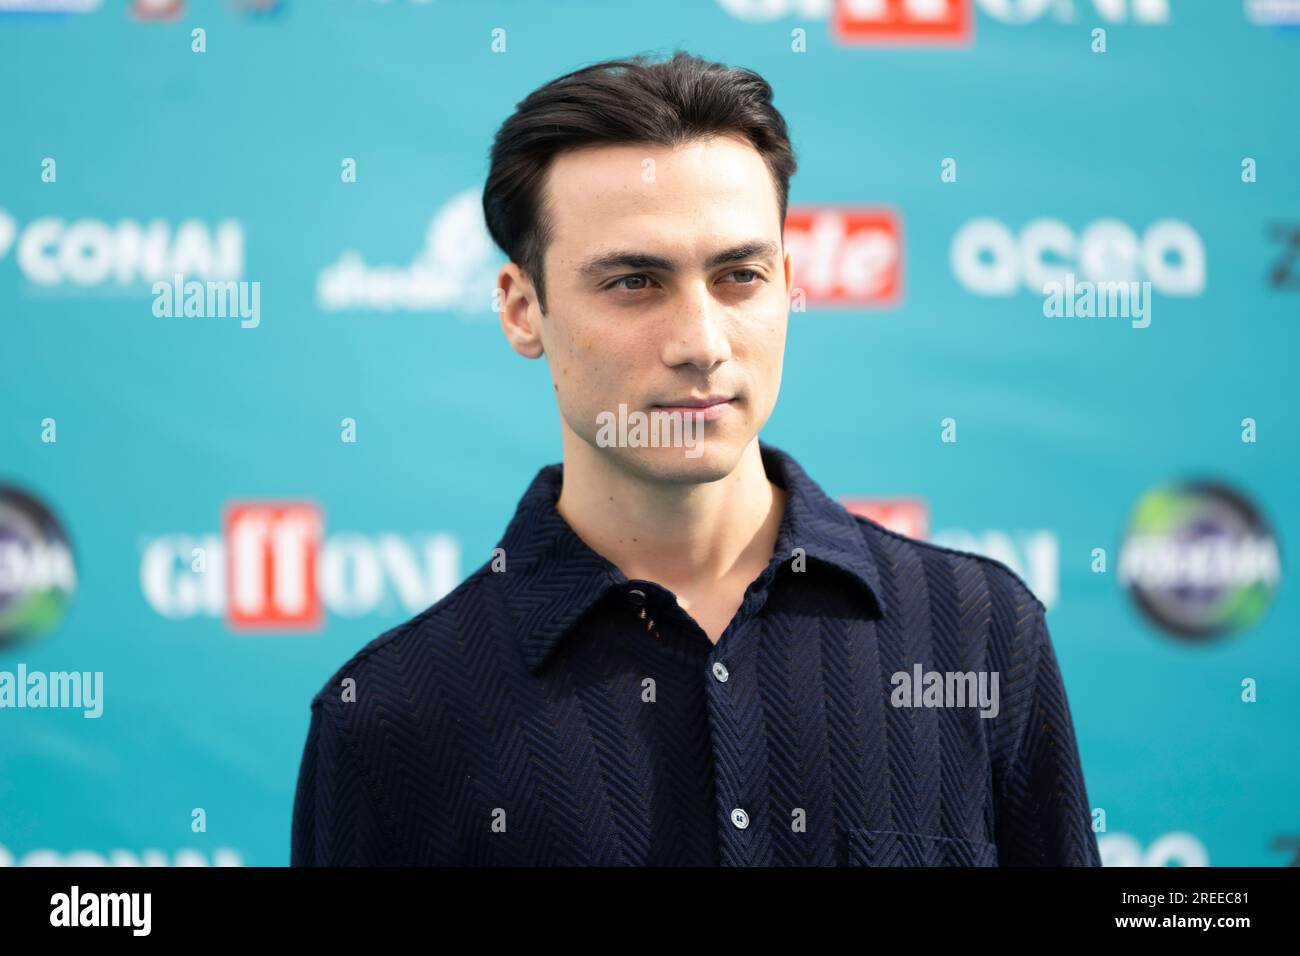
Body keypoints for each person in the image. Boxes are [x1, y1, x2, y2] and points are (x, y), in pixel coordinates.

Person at [291, 50, 1100, 867]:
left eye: (739, 276)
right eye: (635, 283)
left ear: (788, 284)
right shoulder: (391, 719)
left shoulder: (978, 633)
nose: (701, 344)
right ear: (521, 309)